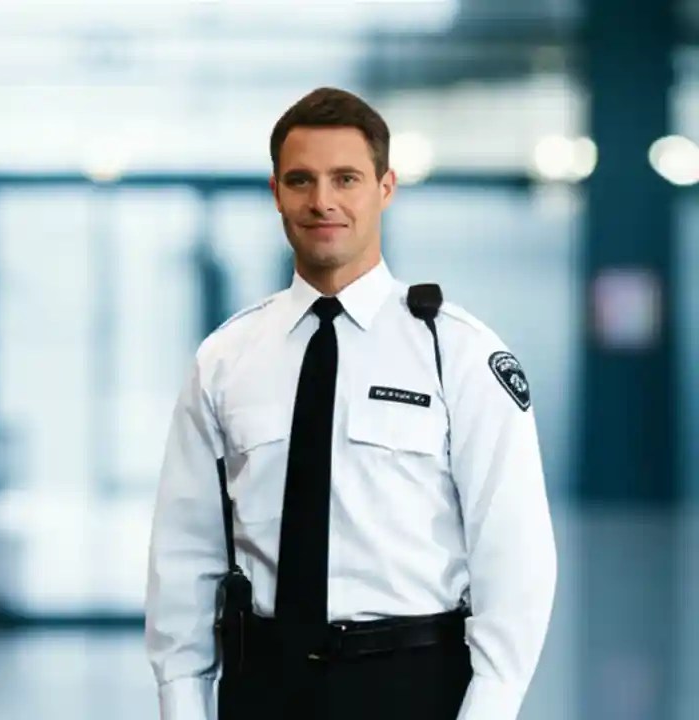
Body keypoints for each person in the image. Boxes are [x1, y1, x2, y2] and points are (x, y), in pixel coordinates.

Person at [143, 86, 558, 720]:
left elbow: (515, 552)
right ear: (275, 192)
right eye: (301, 180)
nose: (323, 201)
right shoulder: (226, 359)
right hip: (264, 685)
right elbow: (185, 551)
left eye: (346, 178)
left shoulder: (459, 354)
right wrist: (182, 702)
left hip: (412, 686)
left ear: (385, 187)